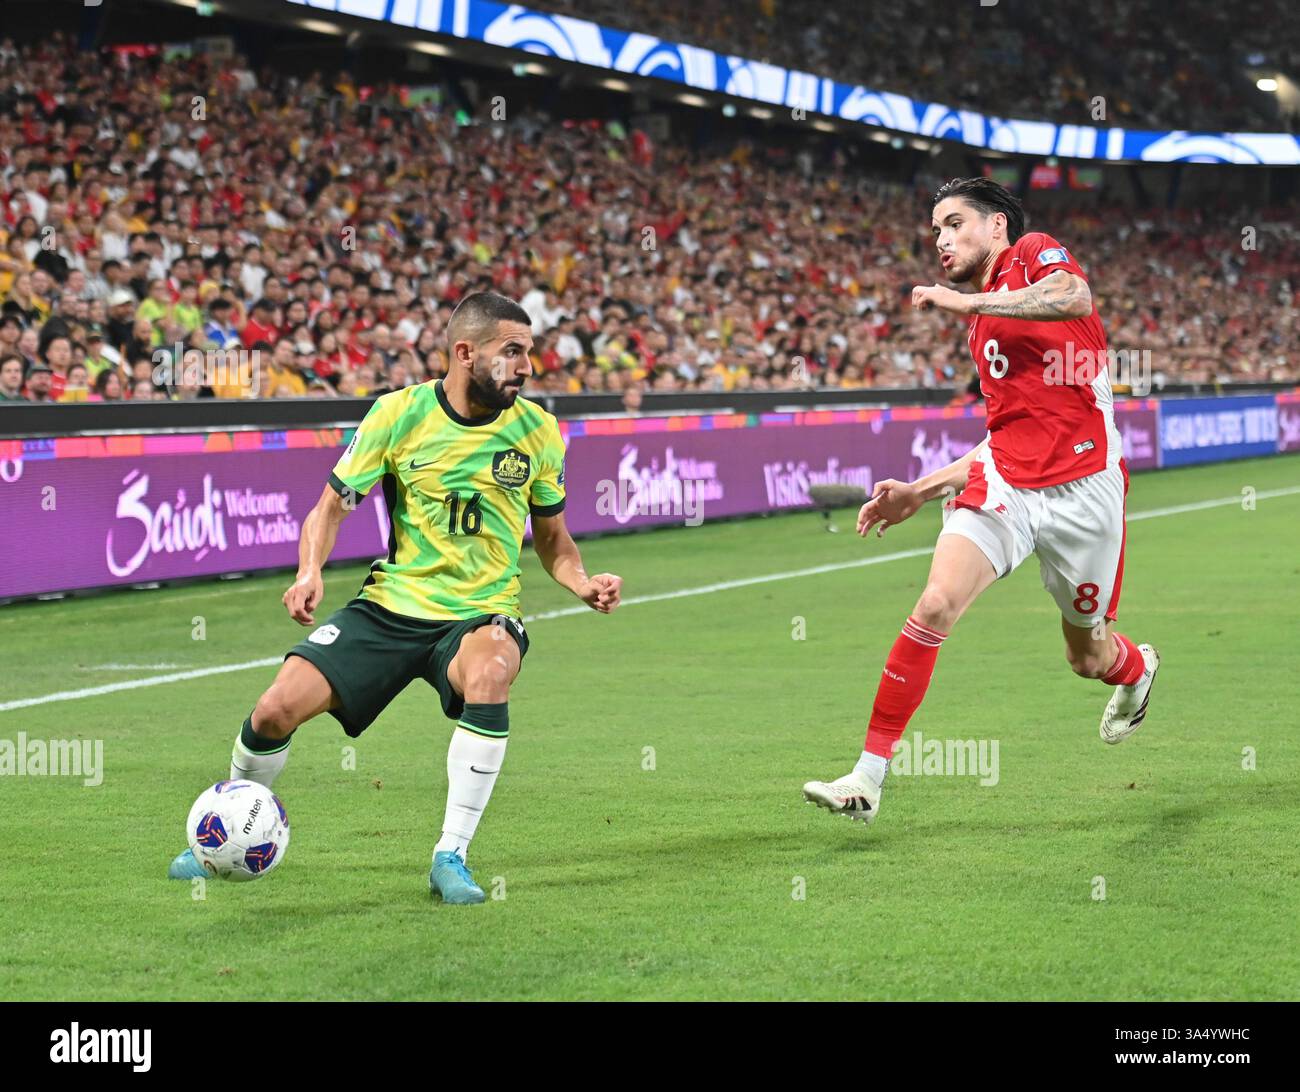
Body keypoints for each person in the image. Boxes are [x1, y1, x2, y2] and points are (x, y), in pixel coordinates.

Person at [167, 292, 624, 903]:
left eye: (529, 352)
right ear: (465, 352)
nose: (525, 366)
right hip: (390, 606)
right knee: (274, 709)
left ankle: (450, 856)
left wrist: (581, 580)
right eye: (511, 351)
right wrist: (310, 572)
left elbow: (553, 541)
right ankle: (222, 833)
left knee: (490, 674)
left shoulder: (538, 431)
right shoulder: (398, 414)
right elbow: (331, 507)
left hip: (477, 613)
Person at [802, 178, 1159, 824]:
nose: (942, 240)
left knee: (1088, 656)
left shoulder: (1035, 254)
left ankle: (1136, 670)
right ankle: (867, 778)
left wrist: (972, 305)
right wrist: (921, 489)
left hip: (1086, 489)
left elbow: (1071, 294)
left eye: (955, 223)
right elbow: (1002, 438)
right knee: (936, 602)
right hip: (1007, 485)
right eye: (935, 230)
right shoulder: (984, 329)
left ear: (997, 227)